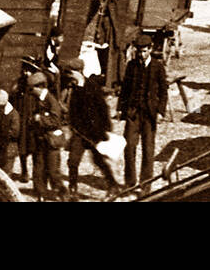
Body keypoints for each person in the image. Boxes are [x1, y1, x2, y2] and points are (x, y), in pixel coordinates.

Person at [118, 38, 167, 192]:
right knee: (129, 147)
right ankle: (130, 183)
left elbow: (163, 92)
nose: (141, 54)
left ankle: (146, 185)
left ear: (150, 49)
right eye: (139, 51)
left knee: (148, 149)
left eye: (144, 51)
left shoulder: (158, 67)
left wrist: (160, 111)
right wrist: (121, 108)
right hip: (133, 113)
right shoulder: (131, 66)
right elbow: (125, 88)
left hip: (150, 115)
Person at [67, 67, 119, 194]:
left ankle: (112, 185)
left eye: (71, 74)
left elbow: (103, 109)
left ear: (78, 72)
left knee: (99, 160)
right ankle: (72, 189)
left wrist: (106, 130)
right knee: (73, 160)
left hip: (94, 132)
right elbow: (73, 111)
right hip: (79, 132)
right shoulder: (74, 89)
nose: (70, 78)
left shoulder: (92, 87)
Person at [24, 71, 68, 201]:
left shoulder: (51, 100)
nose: (31, 92)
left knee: (53, 171)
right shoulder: (39, 99)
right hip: (41, 140)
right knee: (38, 170)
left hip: (51, 141)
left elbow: (56, 121)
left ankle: (63, 194)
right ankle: (40, 195)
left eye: (32, 89)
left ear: (40, 87)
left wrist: (40, 119)